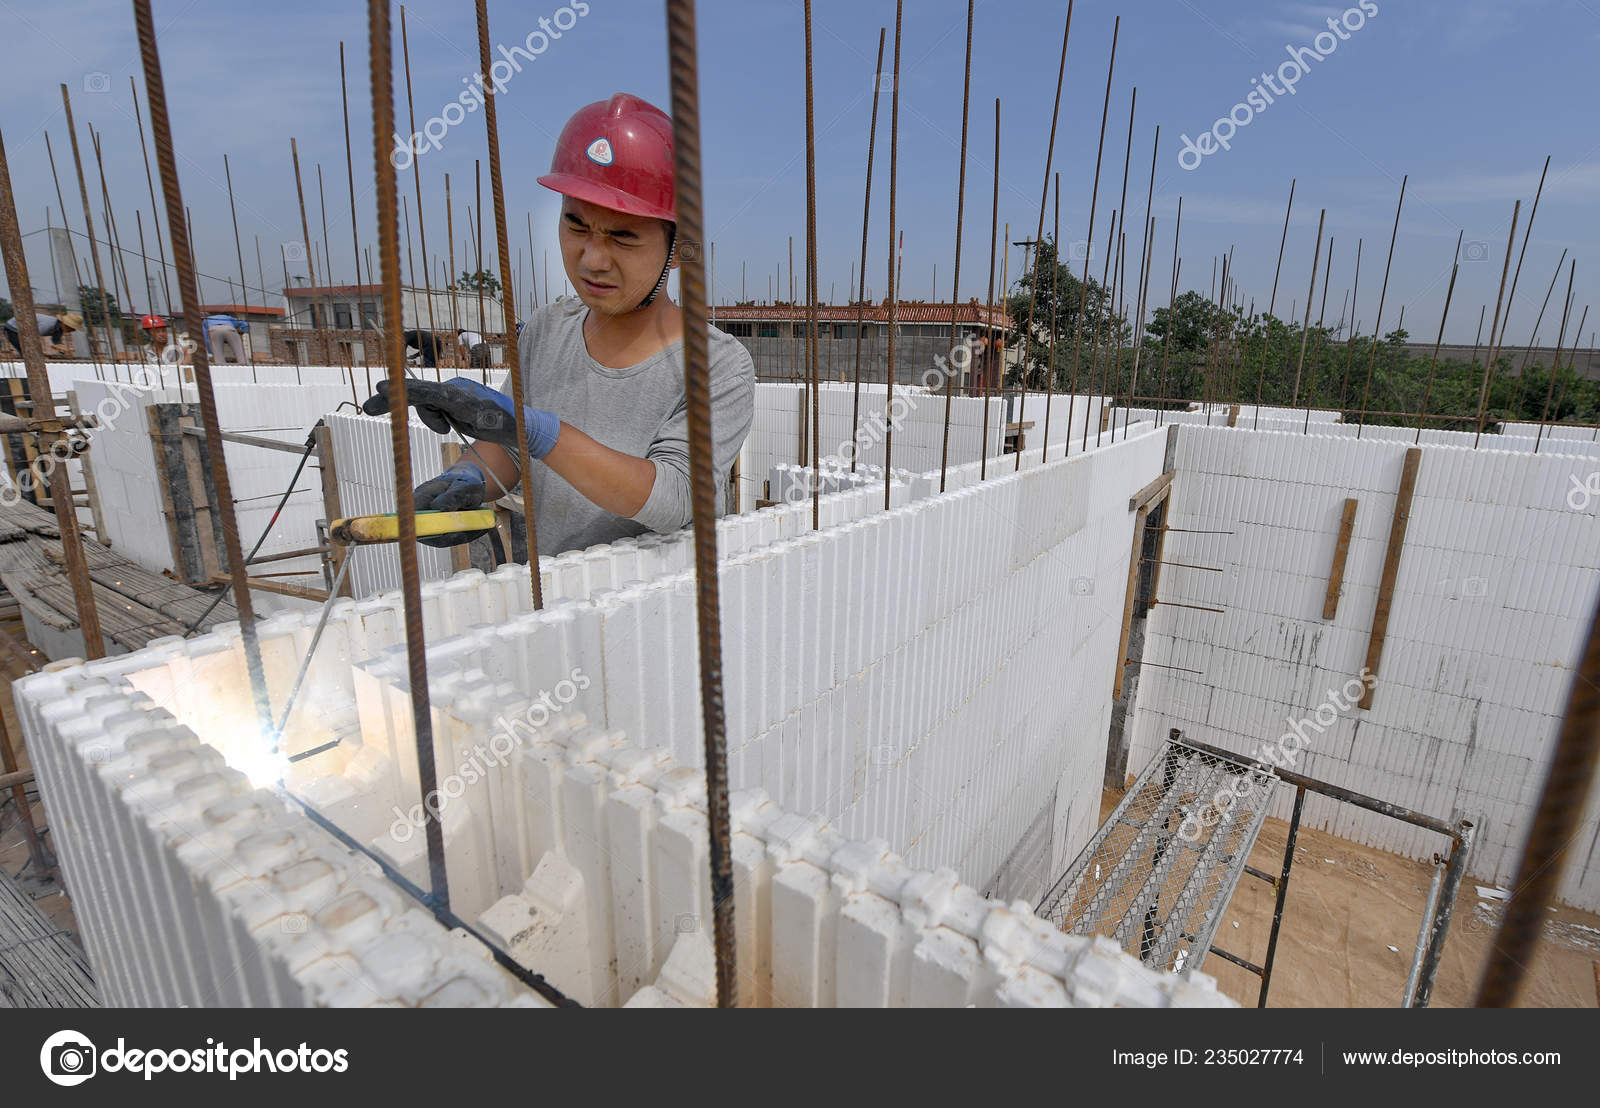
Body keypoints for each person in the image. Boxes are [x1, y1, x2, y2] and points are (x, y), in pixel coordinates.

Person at [364, 92, 754, 558]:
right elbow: (511, 449)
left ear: (677, 248)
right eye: (576, 225)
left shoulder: (718, 365)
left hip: (660, 613)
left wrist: (540, 432)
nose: (592, 259)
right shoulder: (548, 331)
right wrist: (467, 479)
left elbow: (675, 497)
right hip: (559, 608)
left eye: (622, 236)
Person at [4, 311, 82, 356]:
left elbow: (56, 340)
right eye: (71, 328)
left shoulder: (59, 328)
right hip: (13, 329)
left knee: (29, 353)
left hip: (24, 330)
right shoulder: (48, 325)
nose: (71, 331)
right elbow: (32, 338)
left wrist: (62, 351)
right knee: (26, 352)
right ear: (65, 324)